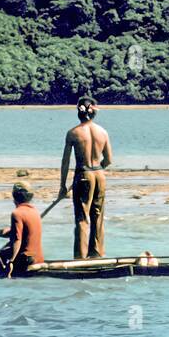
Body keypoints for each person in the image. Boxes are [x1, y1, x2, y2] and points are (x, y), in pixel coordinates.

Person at [56, 95, 112, 259]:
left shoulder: (73, 133)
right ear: (93, 113)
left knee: (82, 218)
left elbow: (65, 161)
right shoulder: (103, 132)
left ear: (79, 112)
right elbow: (108, 160)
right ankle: (97, 254)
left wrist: (63, 186)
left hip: (83, 175)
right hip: (100, 175)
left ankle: (80, 258)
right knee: (98, 216)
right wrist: (96, 169)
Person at [0, 182, 45, 276]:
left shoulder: (17, 213)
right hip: (38, 258)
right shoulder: (35, 211)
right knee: (1, 254)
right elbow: (11, 233)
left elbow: (17, 240)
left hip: (25, 259)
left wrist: (11, 261)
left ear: (14, 197)